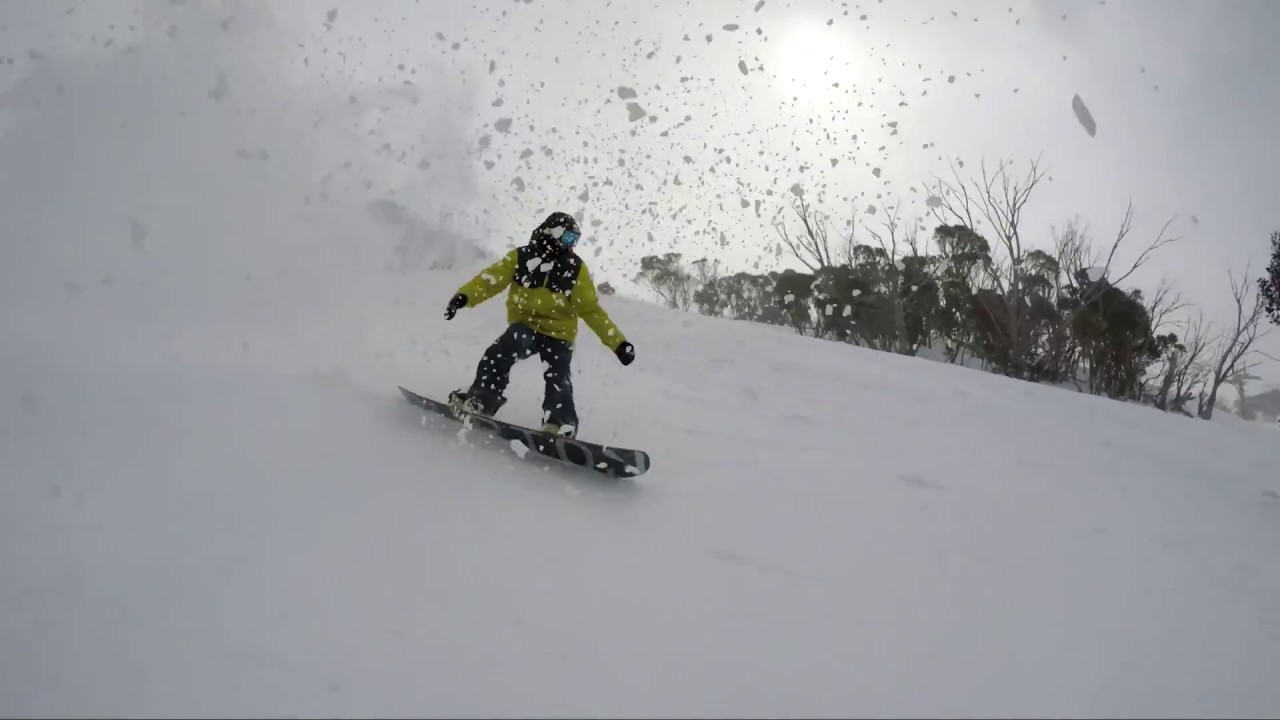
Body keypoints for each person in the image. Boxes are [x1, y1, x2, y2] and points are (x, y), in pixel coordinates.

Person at [443, 211, 635, 438]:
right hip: (526, 326)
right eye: (568, 238)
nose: (571, 245)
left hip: (559, 333)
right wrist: (464, 297)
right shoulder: (522, 257)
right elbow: (490, 280)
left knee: (558, 375)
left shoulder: (574, 268)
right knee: (497, 353)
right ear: (553, 233)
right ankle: (481, 400)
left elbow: (591, 311)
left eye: (575, 240)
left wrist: (618, 343)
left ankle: (560, 423)